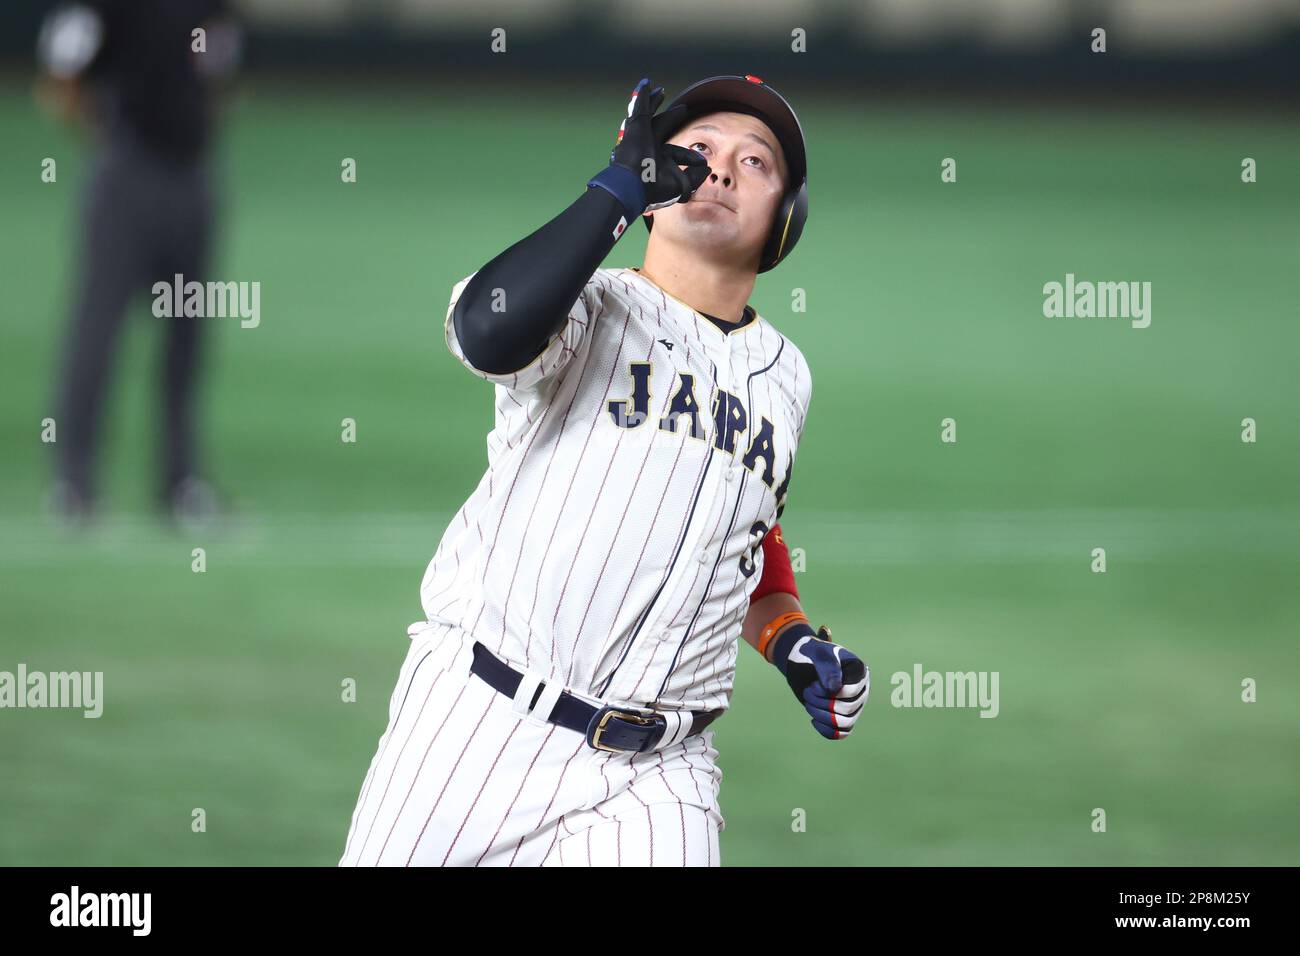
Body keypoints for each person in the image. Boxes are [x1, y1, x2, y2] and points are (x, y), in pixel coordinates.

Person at [340, 75, 868, 867]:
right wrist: (616, 188)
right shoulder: (586, 307)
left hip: (660, 772)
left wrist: (789, 637)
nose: (721, 169)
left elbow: (746, 530)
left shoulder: (786, 377)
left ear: (783, 222)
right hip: (480, 723)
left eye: (755, 163)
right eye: (697, 150)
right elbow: (488, 331)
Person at [36, 0, 240, 527]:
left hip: (191, 179)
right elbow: (61, 72)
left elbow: (219, 75)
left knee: (185, 339)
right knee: (97, 330)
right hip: (127, 176)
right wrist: (110, 147)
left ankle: (179, 482)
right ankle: (74, 483)